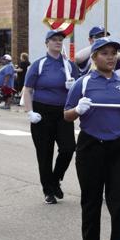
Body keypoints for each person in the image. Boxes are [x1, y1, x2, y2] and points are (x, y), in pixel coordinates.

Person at [64, 37, 120, 240]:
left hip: (117, 146)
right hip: (90, 146)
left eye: (113, 53)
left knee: (119, 198)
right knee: (91, 199)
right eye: (105, 53)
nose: (110, 57)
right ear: (94, 57)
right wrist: (78, 109)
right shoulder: (84, 83)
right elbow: (66, 114)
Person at [23, 30, 80, 204]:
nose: (58, 42)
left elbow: (80, 89)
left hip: (63, 112)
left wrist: (73, 87)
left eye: (60, 40)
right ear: (47, 43)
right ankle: (48, 190)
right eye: (54, 40)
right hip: (42, 112)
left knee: (68, 148)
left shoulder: (69, 65)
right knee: (45, 153)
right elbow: (27, 89)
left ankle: (55, 179)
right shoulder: (39, 65)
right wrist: (29, 111)